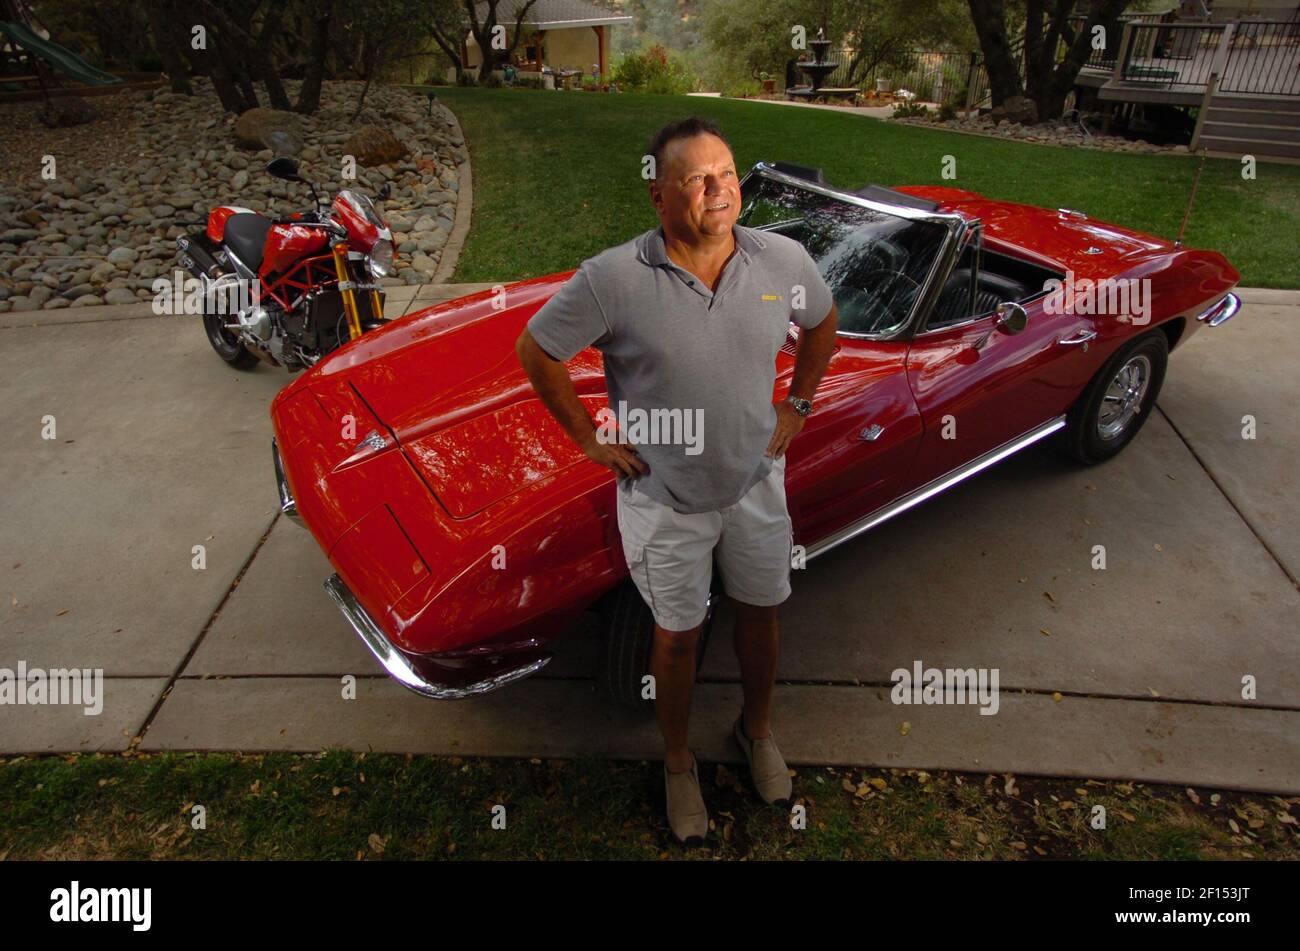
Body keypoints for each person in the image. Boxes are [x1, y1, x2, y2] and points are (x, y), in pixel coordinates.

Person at [515, 117, 838, 843]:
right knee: (677, 637)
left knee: (762, 612)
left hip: (756, 484)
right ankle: (679, 760)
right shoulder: (614, 279)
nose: (717, 190)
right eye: (696, 178)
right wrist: (588, 437)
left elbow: (823, 323)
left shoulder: (781, 259)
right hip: (667, 503)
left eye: (725, 173)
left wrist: (800, 402)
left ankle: (756, 732)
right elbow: (537, 349)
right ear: (658, 195)